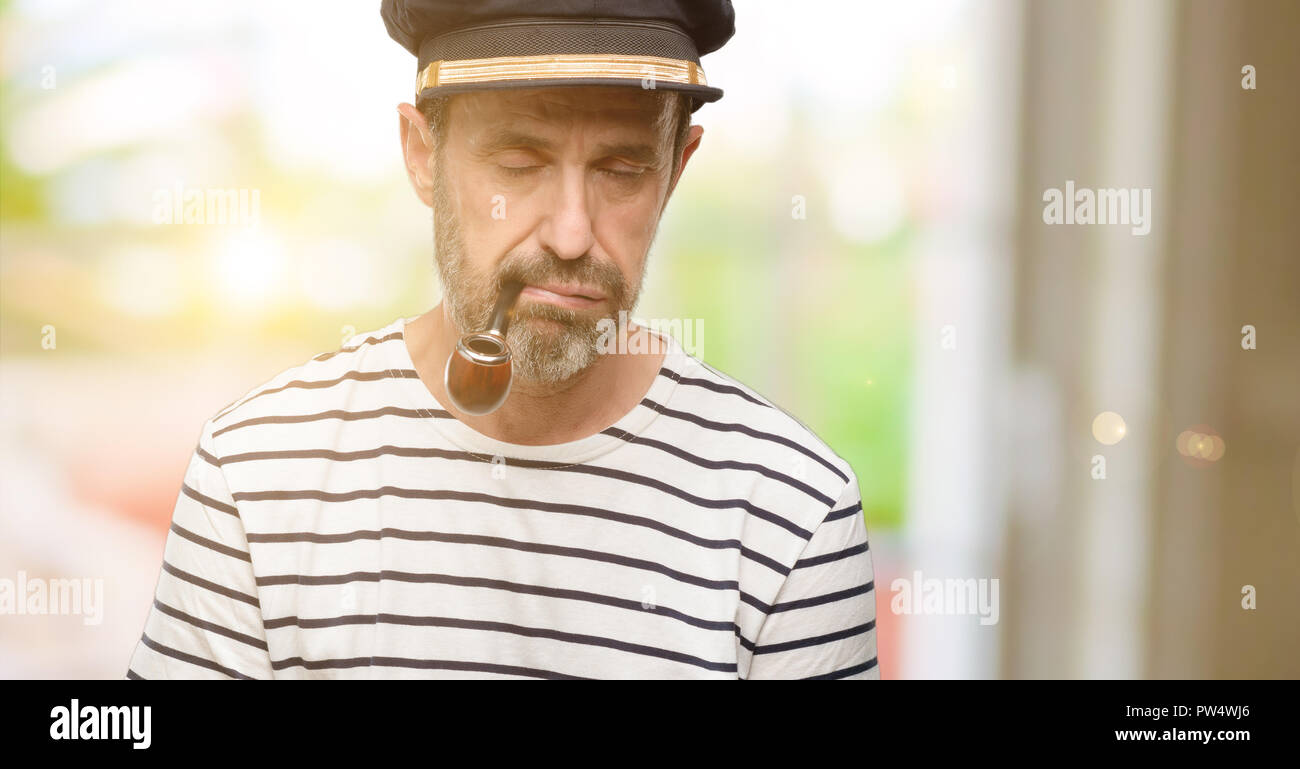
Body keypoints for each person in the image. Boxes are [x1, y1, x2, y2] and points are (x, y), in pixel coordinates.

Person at [127, 0, 878, 679]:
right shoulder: (258, 477)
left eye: (622, 170)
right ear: (422, 154)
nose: (572, 233)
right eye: (519, 164)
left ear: (677, 170)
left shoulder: (792, 515)